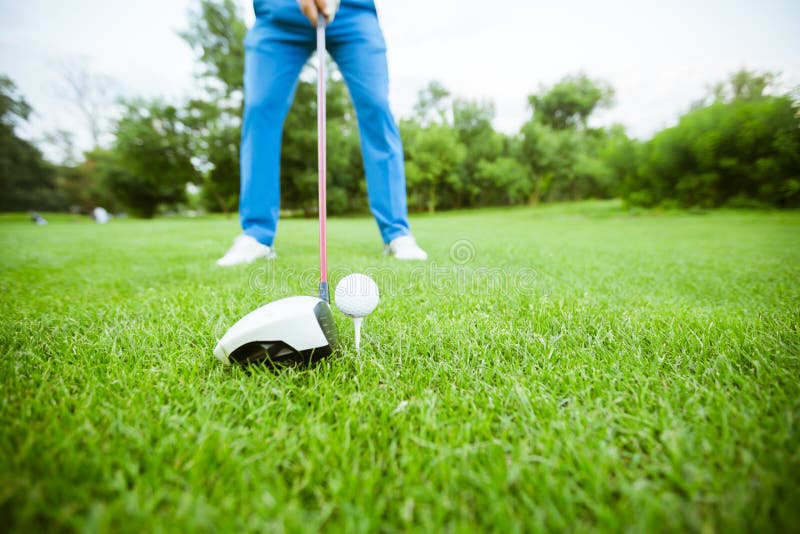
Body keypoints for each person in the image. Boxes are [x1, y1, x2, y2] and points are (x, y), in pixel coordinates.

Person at [217, 0, 428, 266]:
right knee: (260, 110)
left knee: (376, 106)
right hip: (277, 14)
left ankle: (397, 232)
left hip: (352, 11)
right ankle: (256, 234)